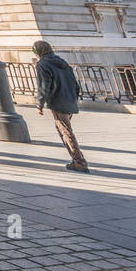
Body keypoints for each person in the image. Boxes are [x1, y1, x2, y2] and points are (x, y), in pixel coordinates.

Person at [34, 40, 88, 172]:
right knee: (64, 129)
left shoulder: (43, 64)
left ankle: (79, 162)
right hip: (70, 100)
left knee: (66, 132)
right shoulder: (62, 62)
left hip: (58, 101)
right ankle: (78, 158)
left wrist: (39, 103)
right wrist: (73, 98)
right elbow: (75, 84)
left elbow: (43, 86)